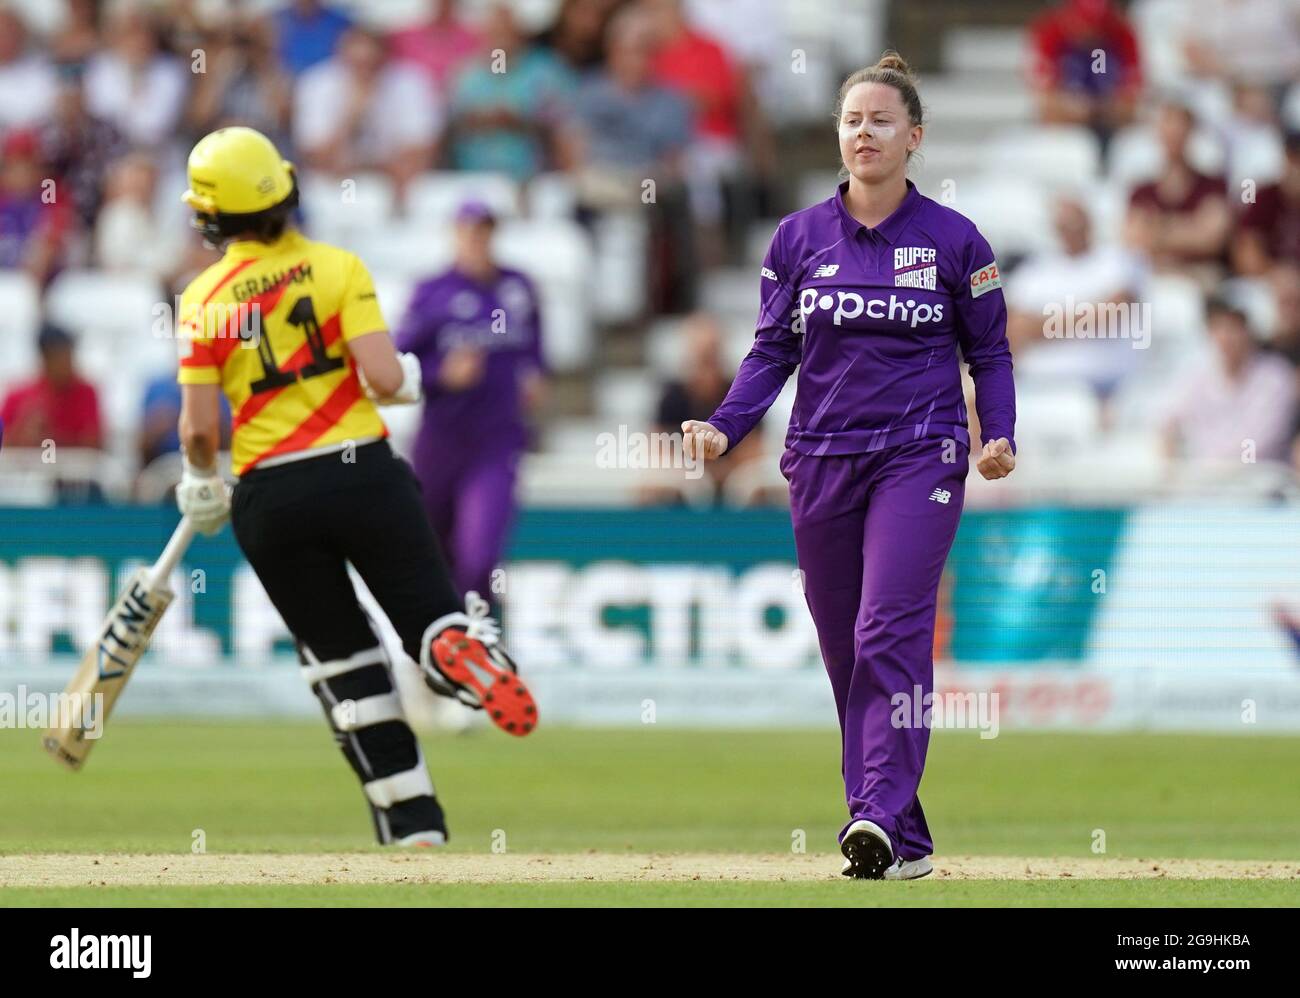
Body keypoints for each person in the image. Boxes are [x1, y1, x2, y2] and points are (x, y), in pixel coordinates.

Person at [681, 53, 1017, 880]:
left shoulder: (953, 239)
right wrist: (727, 427)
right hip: (821, 459)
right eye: (852, 120)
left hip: (922, 454)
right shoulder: (798, 238)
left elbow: (992, 352)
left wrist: (996, 434)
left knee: (888, 630)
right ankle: (903, 836)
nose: (863, 133)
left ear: (915, 137)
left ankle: (869, 813)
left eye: (880, 120)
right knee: (845, 652)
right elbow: (771, 351)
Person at [174, 127, 537, 848]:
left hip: (271, 496)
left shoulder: (202, 299)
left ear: (209, 215)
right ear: (285, 190)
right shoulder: (335, 267)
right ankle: (457, 649)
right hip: (362, 473)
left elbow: (196, 430)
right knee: (429, 617)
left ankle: (414, 826)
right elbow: (385, 378)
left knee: (344, 661)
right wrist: (405, 380)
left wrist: (197, 481)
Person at [394, 199, 546, 603]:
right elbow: (396, 364)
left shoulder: (519, 288)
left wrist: (533, 378)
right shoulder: (433, 293)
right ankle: (443, 644)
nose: (478, 240)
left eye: (485, 230)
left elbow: (535, 351)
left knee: (479, 553)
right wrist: (442, 373)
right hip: (442, 439)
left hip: (497, 440)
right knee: (431, 548)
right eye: (470, 230)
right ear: (456, 234)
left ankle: (475, 640)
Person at [1162, 298, 1296, 465]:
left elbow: (1261, 443)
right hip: (1204, 481)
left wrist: (1213, 464)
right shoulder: (1196, 375)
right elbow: (1167, 421)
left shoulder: (1275, 377)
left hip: (1260, 479)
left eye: (1233, 327)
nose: (1226, 336)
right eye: (1218, 327)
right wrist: (1170, 465)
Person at [0, 324, 103, 450]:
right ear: (45, 358)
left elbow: (95, 443)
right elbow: (5, 443)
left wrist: (52, 437)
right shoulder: (18, 396)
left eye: (70, 355)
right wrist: (23, 429)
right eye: (61, 357)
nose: (68, 363)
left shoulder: (86, 392)